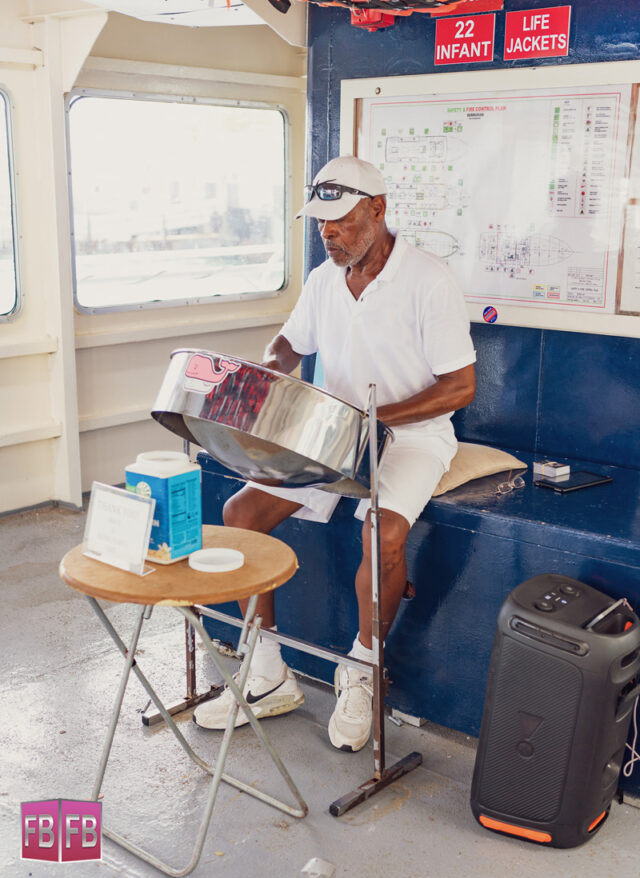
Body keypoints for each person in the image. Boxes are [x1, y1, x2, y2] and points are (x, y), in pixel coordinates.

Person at [194, 155, 476, 752]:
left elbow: (460, 386)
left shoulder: (429, 280)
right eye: (321, 223)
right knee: (243, 515)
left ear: (376, 210)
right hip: (330, 434)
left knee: (383, 533)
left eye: (341, 221)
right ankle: (265, 669)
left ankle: (362, 671)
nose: (329, 234)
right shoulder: (325, 280)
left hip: (412, 436)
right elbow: (289, 345)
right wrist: (265, 375)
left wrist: (376, 420)